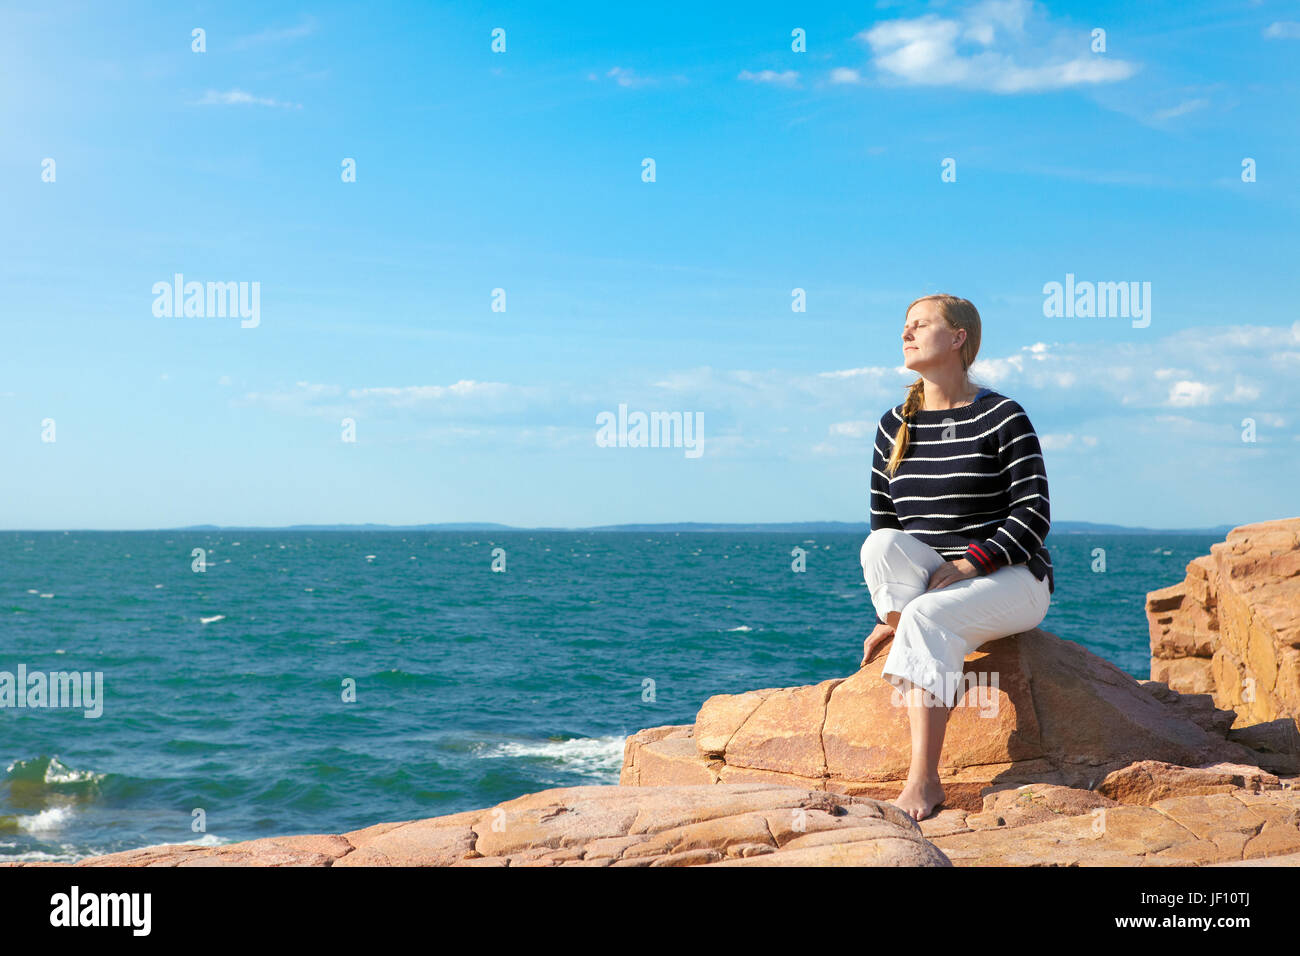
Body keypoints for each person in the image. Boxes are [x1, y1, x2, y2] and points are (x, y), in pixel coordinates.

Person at [859, 294, 1054, 822]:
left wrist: (975, 560)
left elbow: (1034, 513)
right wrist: (890, 610)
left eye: (920, 325)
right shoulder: (893, 425)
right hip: (936, 580)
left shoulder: (1001, 415)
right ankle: (904, 627)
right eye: (904, 325)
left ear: (958, 337)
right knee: (876, 546)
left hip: (1014, 578)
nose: (907, 333)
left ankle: (924, 781)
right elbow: (886, 524)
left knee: (924, 614)